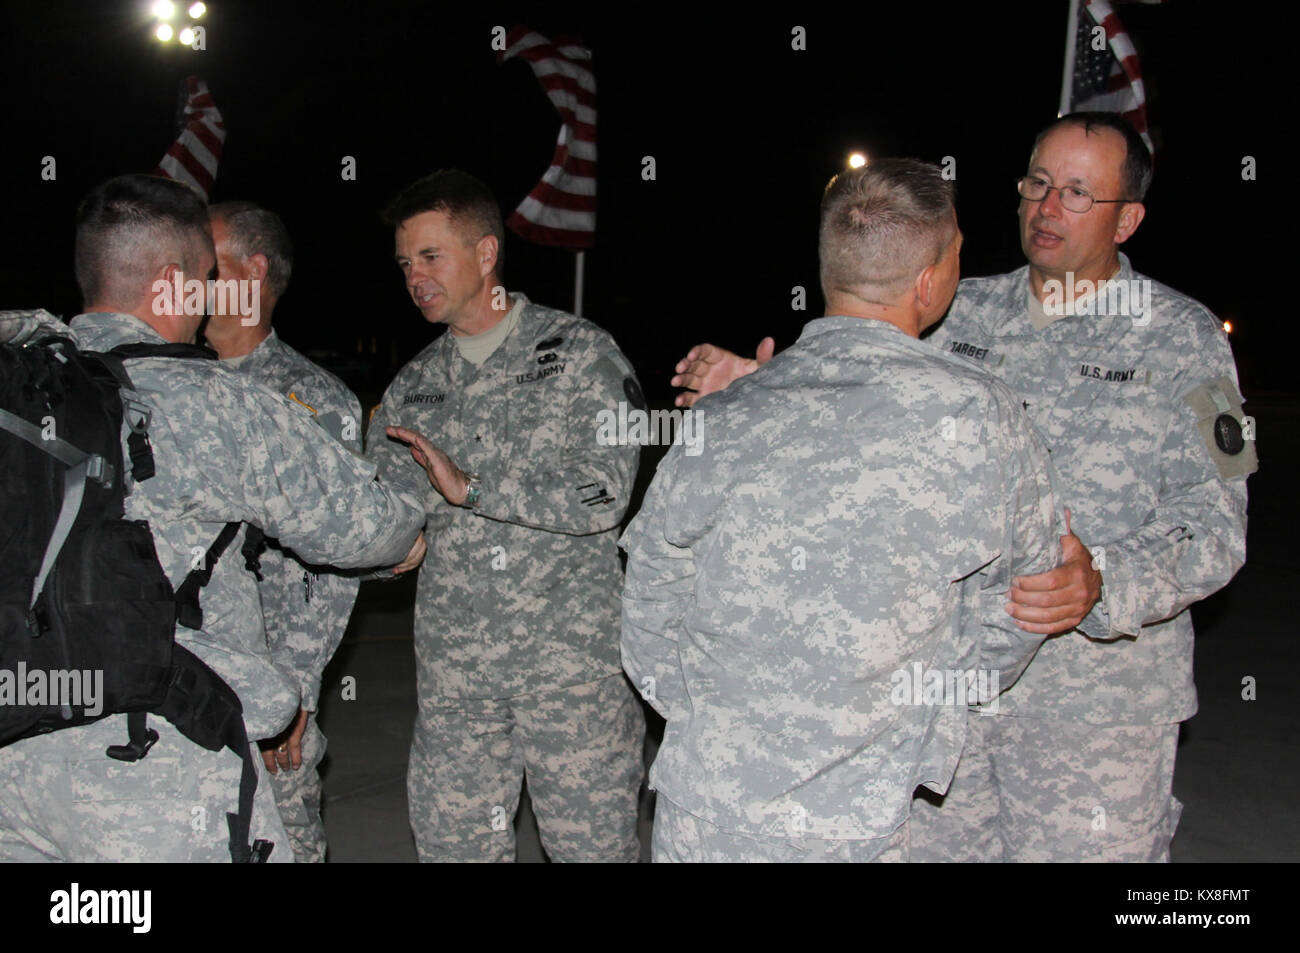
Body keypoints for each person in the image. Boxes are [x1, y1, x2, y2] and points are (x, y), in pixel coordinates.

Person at [670, 113, 1256, 862]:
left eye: (1078, 192)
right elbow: (860, 395)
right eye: (1037, 182)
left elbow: (1216, 523)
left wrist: (1102, 580)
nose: (1047, 207)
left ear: (1128, 219)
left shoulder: (1185, 338)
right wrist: (765, 386)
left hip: (1095, 713)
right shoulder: (953, 310)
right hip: (948, 690)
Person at [623, 158, 1061, 862]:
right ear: (928, 281)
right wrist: (920, 707)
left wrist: (720, 722)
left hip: (705, 809)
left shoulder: (728, 412)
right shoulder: (981, 415)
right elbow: (1027, 600)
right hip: (858, 818)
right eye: (956, 250)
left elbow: (647, 601)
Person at [0, 174, 425, 862]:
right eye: (201, 279)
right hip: (156, 765)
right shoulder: (212, 400)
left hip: (15, 760)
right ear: (171, 283)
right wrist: (410, 526)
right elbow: (374, 528)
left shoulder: (19, 383)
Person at [365, 169, 644, 862]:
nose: (414, 276)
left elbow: (605, 490)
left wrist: (475, 486)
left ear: (486, 253)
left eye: (431, 256)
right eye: (405, 263)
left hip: (572, 680)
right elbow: (382, 512)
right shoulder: (413, 388)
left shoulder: (580, 354)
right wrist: (390, 548)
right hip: (458, 689)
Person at [205, 200, 407, 863]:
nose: (182, 274)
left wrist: (289, 692)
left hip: (265, 697)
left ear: (253, 270)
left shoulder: (308, 401)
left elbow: (332, 568)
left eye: (204, 261)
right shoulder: (169, 379)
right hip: (176, 680)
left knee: (278, 844)